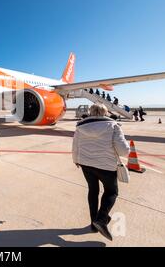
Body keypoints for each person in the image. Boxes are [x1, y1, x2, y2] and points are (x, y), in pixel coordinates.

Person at [72, 103, 130, 241]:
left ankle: (94, 223)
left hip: (86, 164)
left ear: (91, 112)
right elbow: (123, 151)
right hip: (106, 166)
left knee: (93, 191)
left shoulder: (80, 126)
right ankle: (101, 219)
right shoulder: (113, 126)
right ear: (105, 112)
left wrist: (76, 160)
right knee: (111, 192)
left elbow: (75, 145)